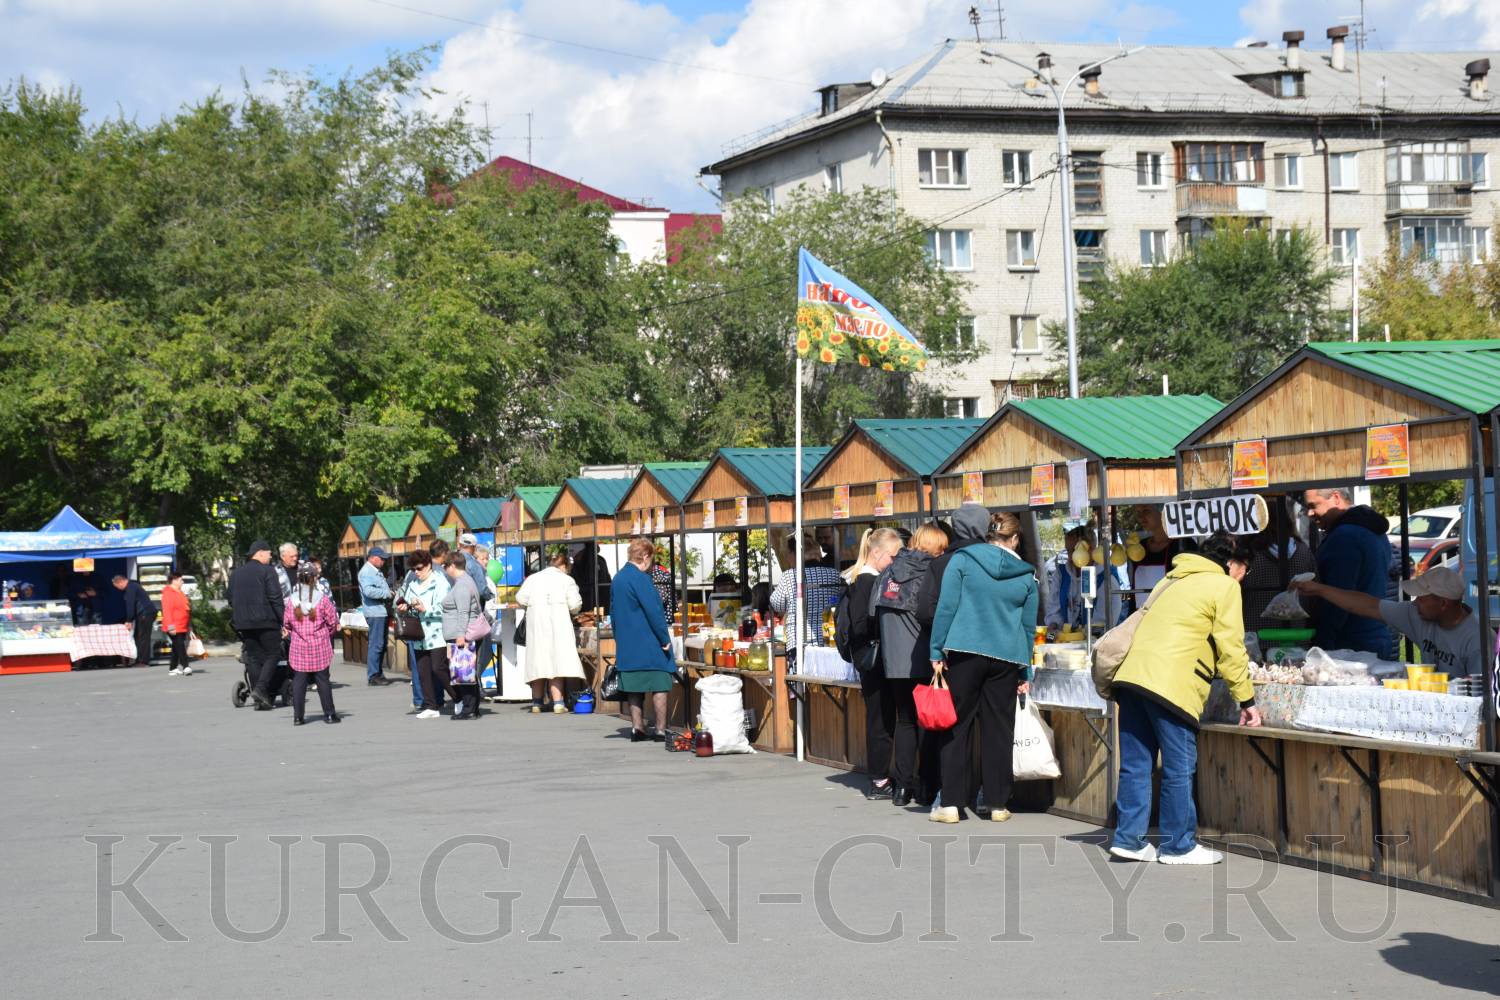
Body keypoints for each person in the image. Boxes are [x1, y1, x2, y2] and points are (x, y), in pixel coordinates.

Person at [1109, 531, 1262, 865]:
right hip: (1172, 685)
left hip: (1133, 678)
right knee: (1179, 767)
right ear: (1233, 562)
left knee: (1136, 765)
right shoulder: (1223, 586)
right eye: (1245, 568)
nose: (1244, 576)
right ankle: (1178, 845)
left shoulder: (1172, 579)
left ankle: (1129, 840)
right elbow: (1232, 649)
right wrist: (1247, 700)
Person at [927, 513, 1037, 824]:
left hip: (964, 651)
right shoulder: (1027, 576)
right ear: (1014, 539)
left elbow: (946, 607)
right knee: (999, 729)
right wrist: (1023, 671)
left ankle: (950, 803)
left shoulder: (962, 561)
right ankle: (998, 803)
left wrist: (936, 650)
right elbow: (1028, 628)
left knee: (956, 727)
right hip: (1006, 656)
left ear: (989, 535)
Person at [1294, 566, 1488, 678]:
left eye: (1421, 597)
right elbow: (1367, 605)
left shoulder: (1478, 641)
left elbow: (1482, 695)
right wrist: (1319, 589)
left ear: (1443, 603)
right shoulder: (1418, 615)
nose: (1415, 601)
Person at [874, 524, 948, 809]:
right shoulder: (930, 572)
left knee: (905, 721)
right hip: (923, 656)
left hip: (894, 661)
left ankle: (902, 788)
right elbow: (933, 612)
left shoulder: (888, 572)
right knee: (927, 725)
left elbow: (874, 611)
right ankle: (927, 787)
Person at [845, 528, 902, 800]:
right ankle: (879, 779)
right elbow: (859, 624)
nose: (895, 561)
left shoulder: (864, 580)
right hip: (875, 661)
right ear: (877, 553)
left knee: (882, 717)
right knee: (881, 719)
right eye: (893, 556)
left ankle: (881, 777)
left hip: (873, 660)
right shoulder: (867, 582)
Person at [1302, 487, 1394, 655]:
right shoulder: (1371, 530)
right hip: (1376, 635)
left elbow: (1338, 598)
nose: (1309, 513)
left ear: (1336, 498)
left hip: (1349, 646)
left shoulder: (1344, 537)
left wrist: (1322, 645)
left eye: (1313, 505)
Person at [611, 538, 677, 742]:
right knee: (660, 682)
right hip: (649, 641)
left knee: (633, 685)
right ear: (646, 556)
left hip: (627, 641)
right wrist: (664, 638)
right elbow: (654, 611)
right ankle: (659, 729)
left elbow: (613, 613)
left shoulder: (618, 578)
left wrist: (619, 637)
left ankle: (637, 728)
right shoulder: (641, 578)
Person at [514, 549, 586, 713]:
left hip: (537, 626)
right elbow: (575, 606)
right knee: (556, 663)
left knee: (538, 662)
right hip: (558, 626)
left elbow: (520, 598)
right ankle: (558, 702)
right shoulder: (567, 580)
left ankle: (537, 703)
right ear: (564, 566)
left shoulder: (533, 579)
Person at [1241, 497, 1316, 631]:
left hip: (1255, 635)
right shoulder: (1304, 551)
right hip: (1296, 634)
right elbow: (1316, 590)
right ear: (1287, 521)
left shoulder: (1249, 554)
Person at [395, 549, 453, 719]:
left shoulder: (440, 582)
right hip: (419, 634)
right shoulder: (413, 585)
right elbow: (409, 606)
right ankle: (431, 706)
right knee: (423, 671)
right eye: (413, 569)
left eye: (419, 568)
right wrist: (406, 608)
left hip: (437, 633)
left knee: (439, 669)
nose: (416, 572)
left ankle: (458, 698)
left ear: (429, 565)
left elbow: (445, 608)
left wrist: (425, 608)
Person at [228, 540, 285, 710]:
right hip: (266, 620)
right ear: (260, 553)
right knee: (273, 654)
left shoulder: (236, 573)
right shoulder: (267, 571)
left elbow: (230, 598)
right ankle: (260, 689)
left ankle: (260, 699)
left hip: (243, 622)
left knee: (253, 658)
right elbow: (275, 597)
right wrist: (284, 620)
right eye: (269, 553)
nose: (270, 556)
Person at [769, 533, 846, 655]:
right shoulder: (834, 575)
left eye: (787, 555)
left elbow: (777, 605)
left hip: (798, 642)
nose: (787, 559)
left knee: (799, 673)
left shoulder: (790, 576)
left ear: (795, 554)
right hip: (828, 639)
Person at [283, 563, 340, 725]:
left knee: (299, 682)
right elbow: (332, 621)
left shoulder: (292, 601)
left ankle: (298, 717)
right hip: (319, 645)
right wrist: (325, 634)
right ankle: (329, 714)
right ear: (314, 579)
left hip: (299, 646)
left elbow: (286, 623)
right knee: (323, 680)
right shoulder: (322, 599)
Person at [441, 552, 488, 720]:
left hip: (462, 634)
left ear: (452, 566)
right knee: (468, 671)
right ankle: (472, 708)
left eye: (445, 566)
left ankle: (468, 709)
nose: (444, 569)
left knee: (463, 672)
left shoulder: (461, 585)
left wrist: (460, 635)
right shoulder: (467, 580)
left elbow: (463, 612)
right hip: (466, 632)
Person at [1130, 504, 1186, 597]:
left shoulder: (1182, 545)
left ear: (1163, 513)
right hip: (1140, 610)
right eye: (1138, 512)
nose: (1140, 517)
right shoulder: (1140, 546)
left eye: (1146, 511)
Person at [358, 547, 394, 686]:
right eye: (381, 558)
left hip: (379, 611)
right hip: (375, 612)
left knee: (380, 644)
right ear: (372, 557)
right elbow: (368, 591)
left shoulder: (374, 571)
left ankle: (378, 673)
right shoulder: (367, 572)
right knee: (376, 644)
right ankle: (373, 675)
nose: (384, 561)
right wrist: (387, 594)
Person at [112, 573, 157, 667]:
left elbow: (130, 605)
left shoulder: (130, 588)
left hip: (145, 613)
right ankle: (139, 659)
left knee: (143, 637)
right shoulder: (133, 585)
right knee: (137, 637)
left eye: (116, 586)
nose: (118, 589)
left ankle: (143, 661)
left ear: (120, 582)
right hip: (144, 613)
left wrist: (129, 620)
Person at [160, 571, 193, 677]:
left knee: (176, 646)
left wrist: (189, 626)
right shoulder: (168, 593)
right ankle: (186, 666)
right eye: (180, 580)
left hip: (182, 624)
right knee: (180, 645)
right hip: (174, 625)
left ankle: (173, 668)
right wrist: (171, 627)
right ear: (174, 580)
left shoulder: (180, 592)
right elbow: (167, 611)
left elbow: (186, 608)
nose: (182, 582)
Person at [571, 542, 612, 612]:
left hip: (592, 600)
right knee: (597, 618)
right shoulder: (600, 560)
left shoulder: (598, 560)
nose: (575, 558)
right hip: (600, 599)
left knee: (594, 618)